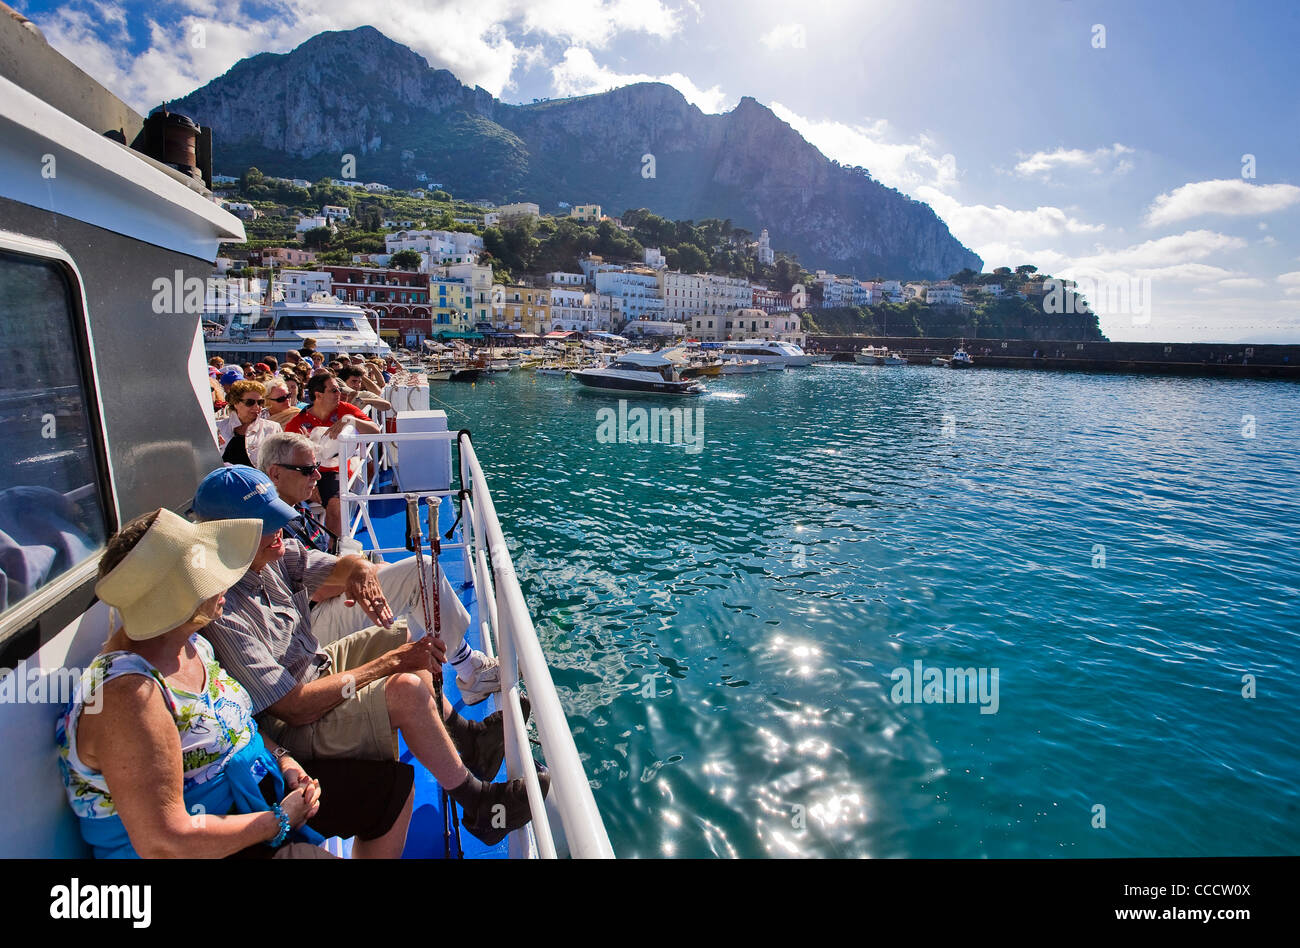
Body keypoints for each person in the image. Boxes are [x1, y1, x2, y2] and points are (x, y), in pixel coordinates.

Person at [191, 468, 541, 846]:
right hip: (289, 723)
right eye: (267, 523)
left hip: (315, 666)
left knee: (402, 636)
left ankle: (465, 738)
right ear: (227, 534)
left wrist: (357, 569)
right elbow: (292, 708)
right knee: (405, 685)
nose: (280, 529)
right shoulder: (223, 610)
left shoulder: (272, 555)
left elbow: (332, 566)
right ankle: (477, 803)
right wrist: (392, 664)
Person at [57, 509, 415, 858]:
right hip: (215, 841)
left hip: (257, 796)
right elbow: (165, 842)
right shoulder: (129, 698)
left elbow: (236, 723)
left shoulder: (193, 644)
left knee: (391, 791)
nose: (228, 578)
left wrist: (284, 760)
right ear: (178, 598)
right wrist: (277, 822)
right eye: (211, 573)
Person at [253, 439, 501, 697]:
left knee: (411, 590)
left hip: (325, 605)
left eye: (316, 466)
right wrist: (361, 573)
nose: (317, 474)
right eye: (307, 470)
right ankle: (470, 671)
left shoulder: (294, 512)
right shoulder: (274, 529)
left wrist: (363, 570)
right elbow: (319, 590)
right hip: (309, 626)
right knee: (421, 571)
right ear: (275, 473)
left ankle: (458, 667)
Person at [283, 372, 380, 538]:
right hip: (306, 472)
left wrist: (350, 420)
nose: (339, 394)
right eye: (334, 390)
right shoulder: (298, 423)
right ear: (318, 395)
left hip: (336, 470)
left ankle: (335, 549)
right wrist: (310, 485)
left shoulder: (345, 410)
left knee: (335, 504)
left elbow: (375, 431)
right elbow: (287, 456)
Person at [216, 379, 283, 468]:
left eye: (260, 402)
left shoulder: (272, 428)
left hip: (259, 480)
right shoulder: (218, 427)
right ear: (235, 403)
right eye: (250, 402)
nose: (257, 407)